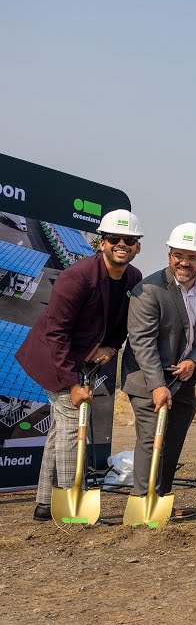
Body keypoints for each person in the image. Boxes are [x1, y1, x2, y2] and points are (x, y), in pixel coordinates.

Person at [17, 209, 144, 521]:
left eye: (129, 239)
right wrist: (73, 383)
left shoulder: (133, 278)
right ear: (102, 243)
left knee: (61, 428)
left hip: (82, 358)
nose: (122, 244)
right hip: (54, 358)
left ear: (137, 245)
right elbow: (56, 333)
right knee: (72, 427)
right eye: (115, 238)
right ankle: (72, 501)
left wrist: (112, 346)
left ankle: (47, 504)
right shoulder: (76, 278)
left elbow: (121, 321)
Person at [121, 223, 196, 518]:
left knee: (173, 441)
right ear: (169, 255)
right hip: (147, 378)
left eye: (191, 257)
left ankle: (161, 498)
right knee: (152, 441)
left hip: (184, 379)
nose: (183, 263)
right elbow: (142, 341)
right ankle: (143, 502)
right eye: (178, 255)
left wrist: (195, 361)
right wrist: (156, 385)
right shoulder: (149, 289)